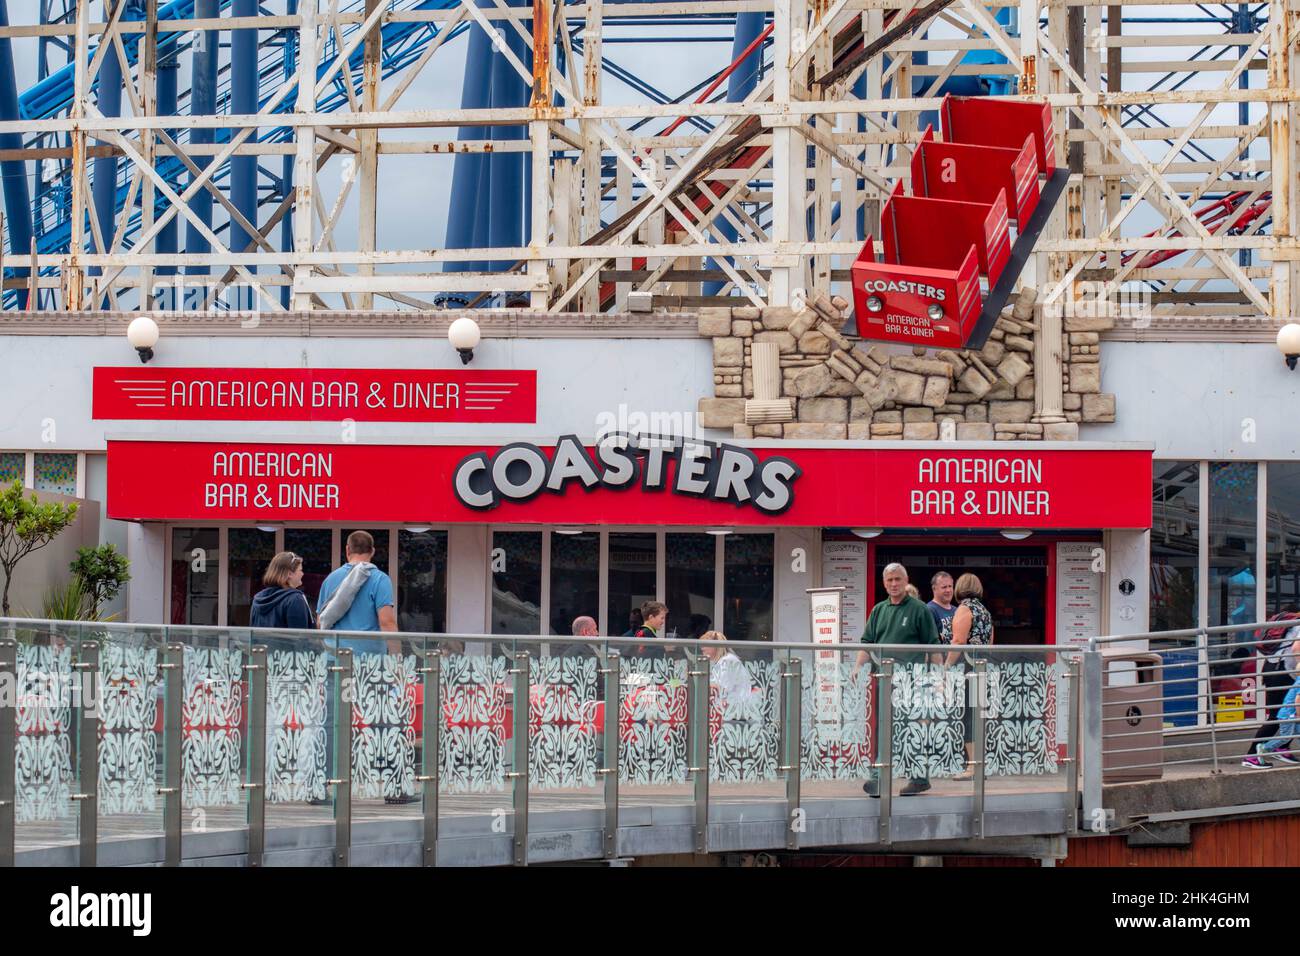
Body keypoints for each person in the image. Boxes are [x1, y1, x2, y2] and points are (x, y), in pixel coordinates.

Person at [851, 563, 940, 797]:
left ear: (905, 579)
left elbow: (933, 646)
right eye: (889, 580)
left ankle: (916, 778)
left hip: (913, 681)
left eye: (898, 579)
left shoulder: (920, 609)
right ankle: (881, 778)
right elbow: (867, 642)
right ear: (884, 582)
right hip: (884, 680)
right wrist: (857, 667)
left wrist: (940, 678)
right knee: (885, 727)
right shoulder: (878, 610)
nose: (893, 584)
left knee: (911, 730)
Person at [942, 573, 995, 779]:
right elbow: (990, 643)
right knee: (979, 715)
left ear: (960, 588)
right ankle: (980, 764)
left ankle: (972, 767)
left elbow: (958, 641)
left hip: (968, 668)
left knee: (968, 717)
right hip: (985, 667)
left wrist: (946, 665)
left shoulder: (965, 608)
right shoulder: (985, 611)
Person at [317, 530, 397, 645]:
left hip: (334, 654)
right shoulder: (381, 579)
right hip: (369, 659)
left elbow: (320, 622)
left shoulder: (330, 579)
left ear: (347, 549)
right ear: (372, 551)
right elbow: (387, 623)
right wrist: (397, 657)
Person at [1243, 612, 1300, 769]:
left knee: (1290, 713)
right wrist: (1298, 670)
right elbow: (1296, 648)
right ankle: (1252, 755)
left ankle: (1282, 747)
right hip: (1283, 672)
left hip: (1274, 669)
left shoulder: (1293, 623)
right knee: (1277, 716)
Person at [250, 552, 315, 630]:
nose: (303, 574)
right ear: (290, 574)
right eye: (300, 570)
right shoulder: (295, 599)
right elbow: (300, 638)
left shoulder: (258, 599)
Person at [700, 630, 754, 714]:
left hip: (735, 708)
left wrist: (702, 681)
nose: (702, 650)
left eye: (704, 648)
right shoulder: (721, 661)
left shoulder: (727, 661)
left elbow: (723, 689)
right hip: (731, 705)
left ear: (714, 647)